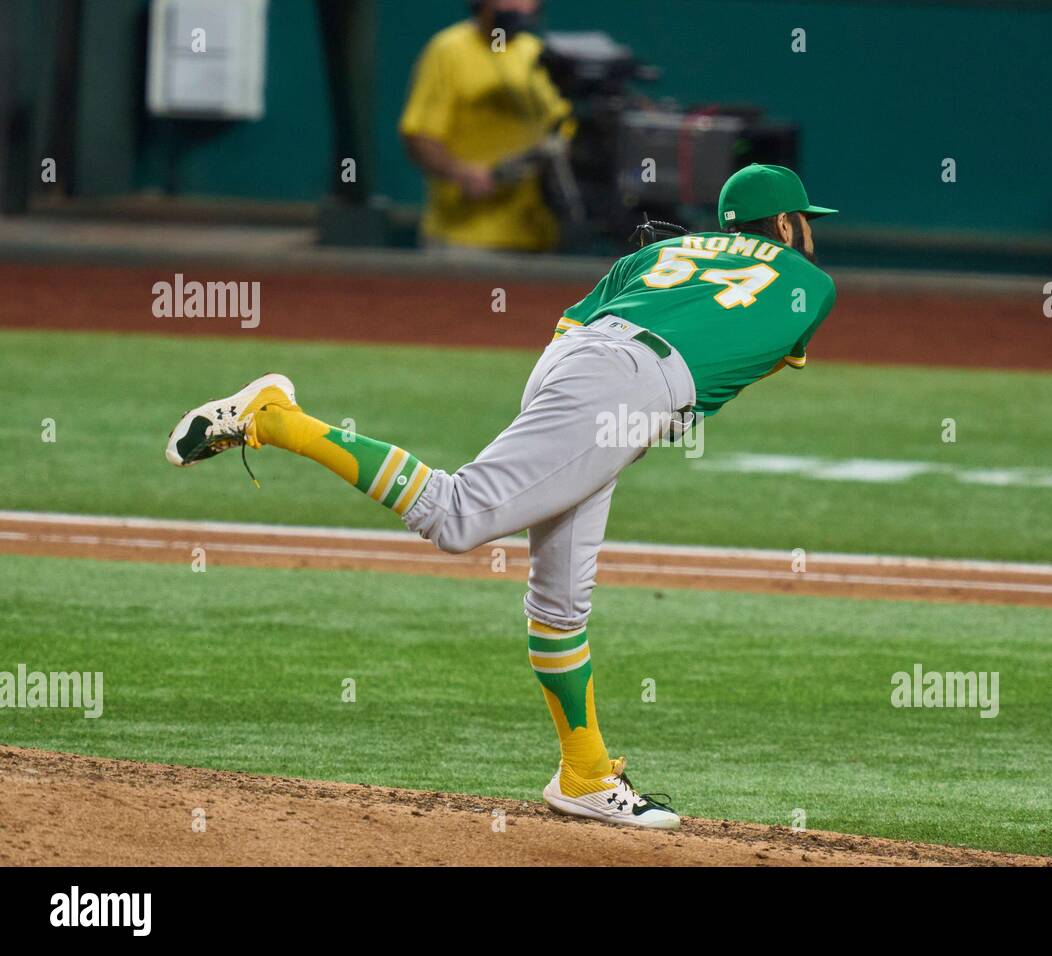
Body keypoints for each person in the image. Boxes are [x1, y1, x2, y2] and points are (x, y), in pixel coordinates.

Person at [164, 165, 838, 829]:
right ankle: (277, 417)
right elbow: (752, 355)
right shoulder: (811, 282)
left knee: (560, 604)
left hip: (576, 362)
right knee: (456, 516)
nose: (811, 235)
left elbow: (569, 329)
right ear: (784, 223)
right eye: (805, 222)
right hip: (630, 387)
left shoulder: (665, 250)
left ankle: (585, 775)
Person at [399, 0, 572, 251]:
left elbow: (564, 127)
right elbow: (419, 136)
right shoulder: (449, 49)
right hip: (466, 240)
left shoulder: (536, 52)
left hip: (537, 238)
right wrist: (461, 172)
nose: (520, 6)